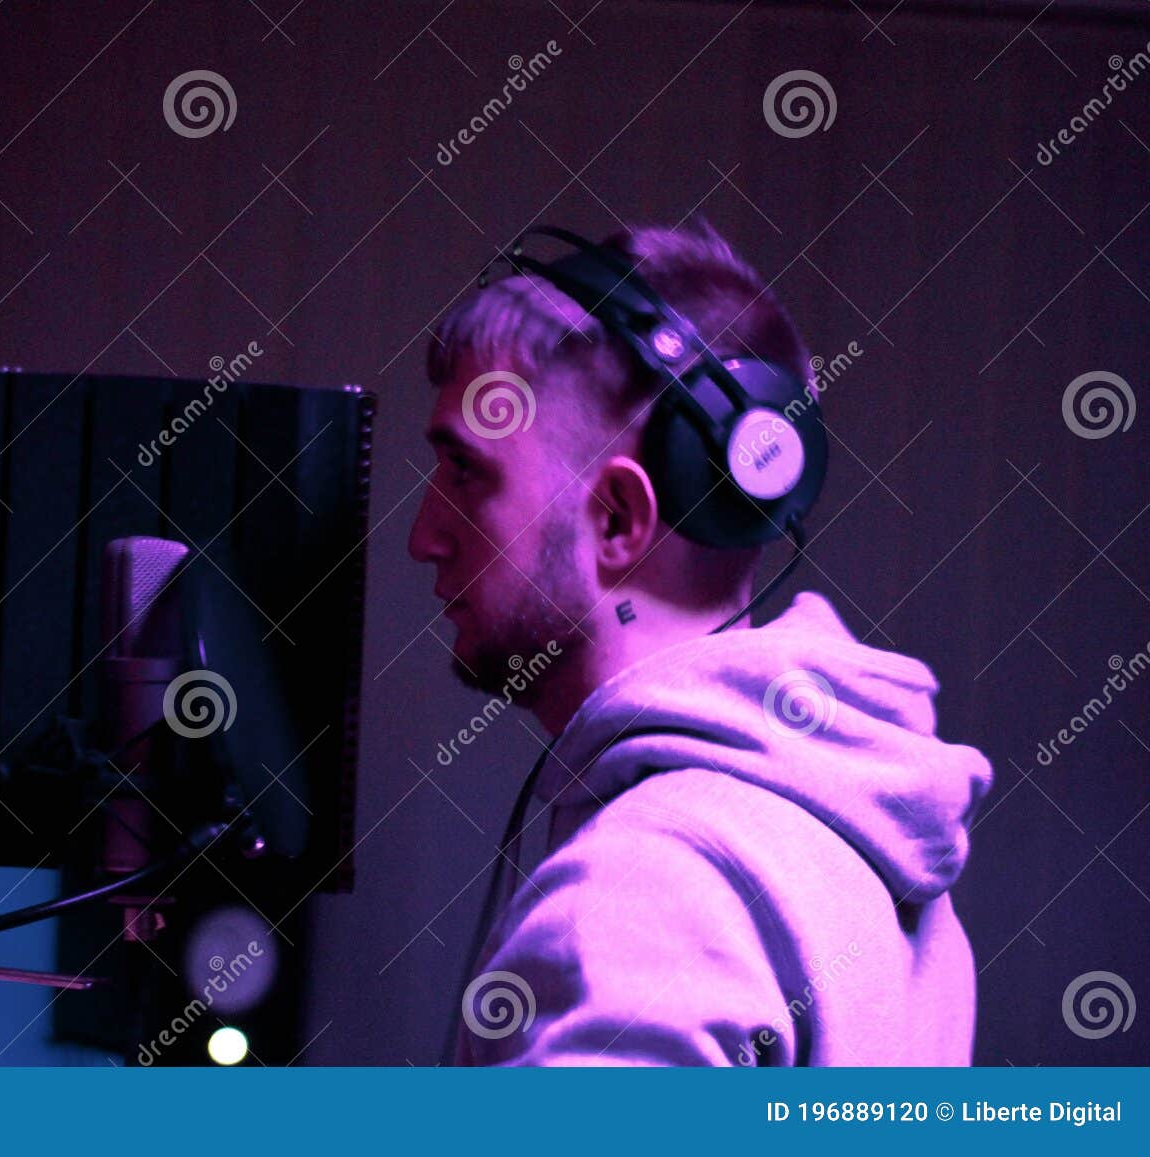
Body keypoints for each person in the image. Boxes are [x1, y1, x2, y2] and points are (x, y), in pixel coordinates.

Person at [407, 219, 994, 1066]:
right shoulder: (867, 846)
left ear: (616, 518)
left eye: (468, 474)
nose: (424, 536)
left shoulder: (639, 895)